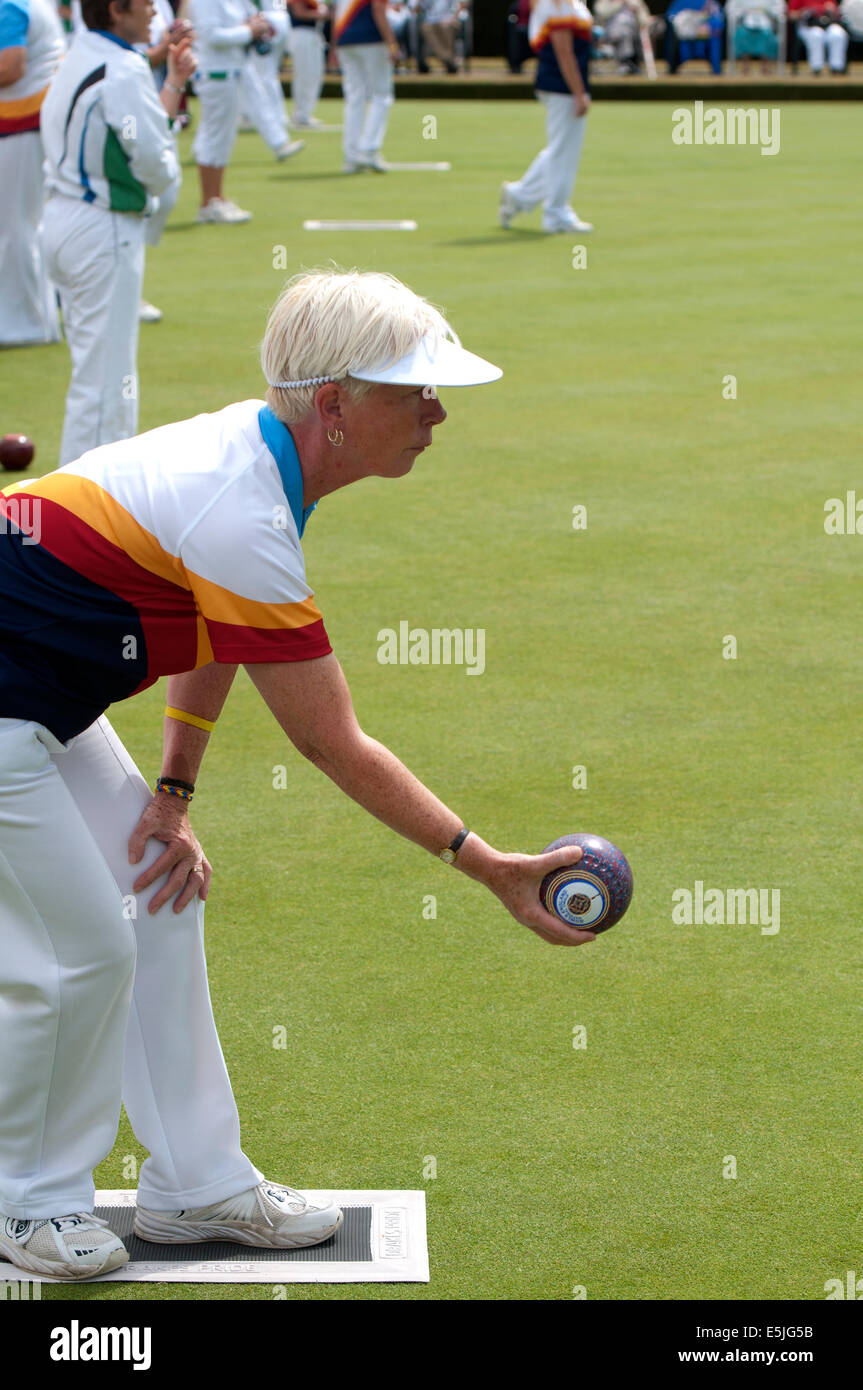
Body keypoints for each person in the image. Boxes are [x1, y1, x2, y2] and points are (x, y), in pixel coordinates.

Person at [0, 268, 595, 1281]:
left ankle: (195, 1184)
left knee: (161, 895)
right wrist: (485, 864)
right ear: (335, 405)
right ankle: (28, 1203)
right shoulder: (243, 500)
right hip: (11, 712)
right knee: (84, 948)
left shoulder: (261, 470)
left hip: (43, 705)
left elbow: (214, 625)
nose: (436, 411)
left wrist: (173, 795)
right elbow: (335, 744)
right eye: (415, 391)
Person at [40, 0, 192, 468]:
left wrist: (172, 83)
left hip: (64, 217)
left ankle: (83, 505)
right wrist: (168, 129)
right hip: (101, 226)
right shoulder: (124, 68)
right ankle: (87, 514)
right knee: (106, 382)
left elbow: (137, 136)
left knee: (97, 374)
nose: (154, 11)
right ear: (115, 9)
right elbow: (157, 166)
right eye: (145, 3)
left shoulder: (82, 51)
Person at [0, 0, 65, 347]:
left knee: (15, 228)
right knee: (24, 226)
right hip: (29, 122)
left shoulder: (10, 3)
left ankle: (23, 324)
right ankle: (34, 319)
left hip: (21, 124)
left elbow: (10, 68)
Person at [499, 0, 594, 235]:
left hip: (560, 83)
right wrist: (578, 91)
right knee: (564, 151)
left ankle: (520, 194)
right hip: (559, 84)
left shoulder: (568, 4)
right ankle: (556, 212)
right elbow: (564, 52)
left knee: (561, 148)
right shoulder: (556, 5)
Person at [189, 0, 271, 222]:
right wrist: (248, 31)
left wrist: (254, 25)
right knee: (214, 137)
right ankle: (209, 202)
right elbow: (211, 36)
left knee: (222, 138)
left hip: (231, 71)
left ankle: (216, 197)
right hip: (216, 73)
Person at [334, 0, 399, 172]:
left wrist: (334, 46)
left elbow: (336, 11)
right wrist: (392, 44)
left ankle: (351, 156)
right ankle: (369, 150)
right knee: (382, 95)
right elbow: (378, 8)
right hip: (371, 39)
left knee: (355, 98)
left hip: (345, 39)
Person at [239, 2, 305, 159]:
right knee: (265, 78)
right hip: (271, 18)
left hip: (266, 18)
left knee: (262, 80)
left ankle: (277, 132)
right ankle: (277, 126)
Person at [288, 0, 328, 125]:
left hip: (315, 34)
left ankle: (306, 113)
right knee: (304, 74)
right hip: (302, 33)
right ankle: (301, 114)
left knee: (314, 75)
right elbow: (299, 12)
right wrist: (324, 14)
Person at [789, 0, 848, 70]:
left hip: (827, 24)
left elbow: (838, 15)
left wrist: (832, 10)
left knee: (838, 34)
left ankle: (837, 67)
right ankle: (817, 68)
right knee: (817, 34)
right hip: (807, 25)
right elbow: (790, 15)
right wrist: (803, 12)